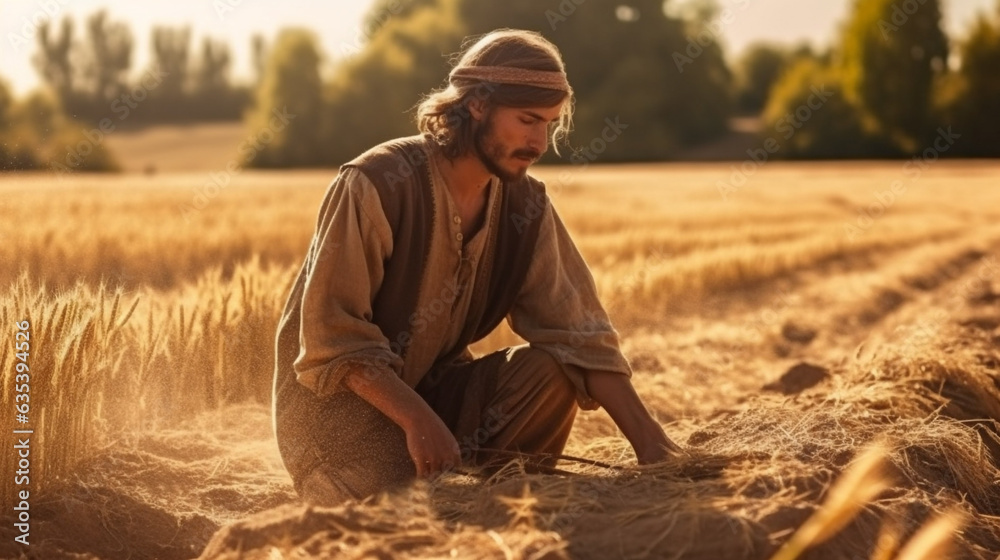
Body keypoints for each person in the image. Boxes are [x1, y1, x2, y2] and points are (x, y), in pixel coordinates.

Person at [273, 28, 680, 506]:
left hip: (437, 403)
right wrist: (418, 420)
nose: (539, 141)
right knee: (376, 505)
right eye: (528, 120)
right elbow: (331, 338)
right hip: (338, 425)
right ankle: (415, 489)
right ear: (477, 105)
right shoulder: (378, 182)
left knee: (553, 371)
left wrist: (650, 442)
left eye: (549, 124)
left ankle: (484, 499)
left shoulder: (525, 205)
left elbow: (580, 335)